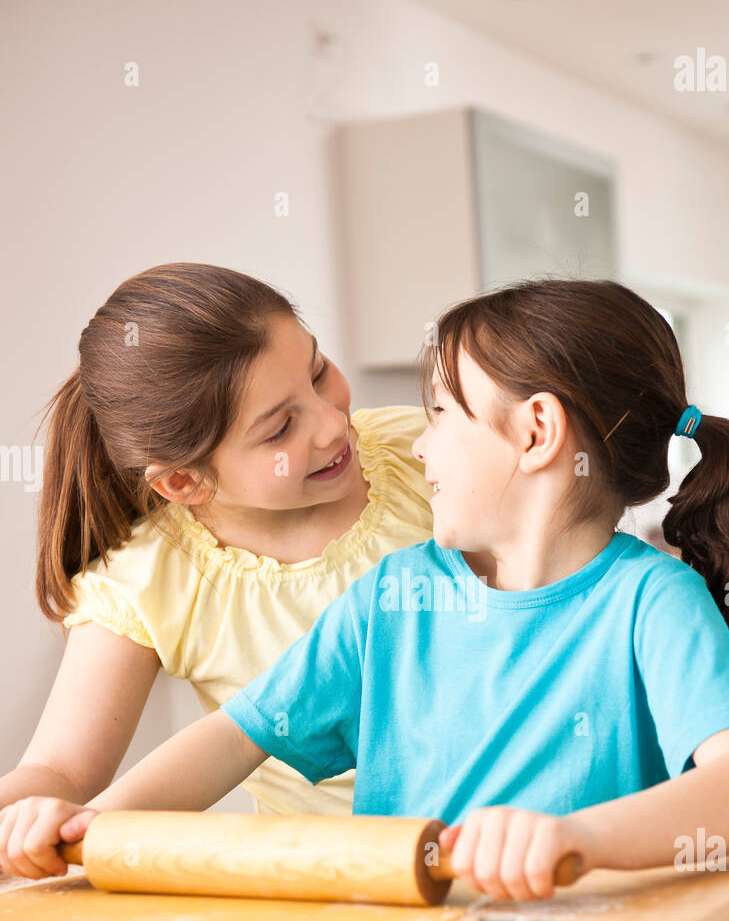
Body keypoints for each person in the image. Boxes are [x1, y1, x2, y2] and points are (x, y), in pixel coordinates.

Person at [0, 279, 729, 900]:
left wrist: (574, 839)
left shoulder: (651, 603)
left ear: (535, 433)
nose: (409, 443)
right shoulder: (394, 597)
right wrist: (101, 819)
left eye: (439, 413)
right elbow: (234, 738)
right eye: (278, 426)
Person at [0, 262, 433, 827]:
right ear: (183, 481)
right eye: (280, 429)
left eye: (319, 370)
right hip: (329, 885)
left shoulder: (426, 456)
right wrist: (27, 815)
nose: (331, 425)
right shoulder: (152, 575)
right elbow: (59, 770)